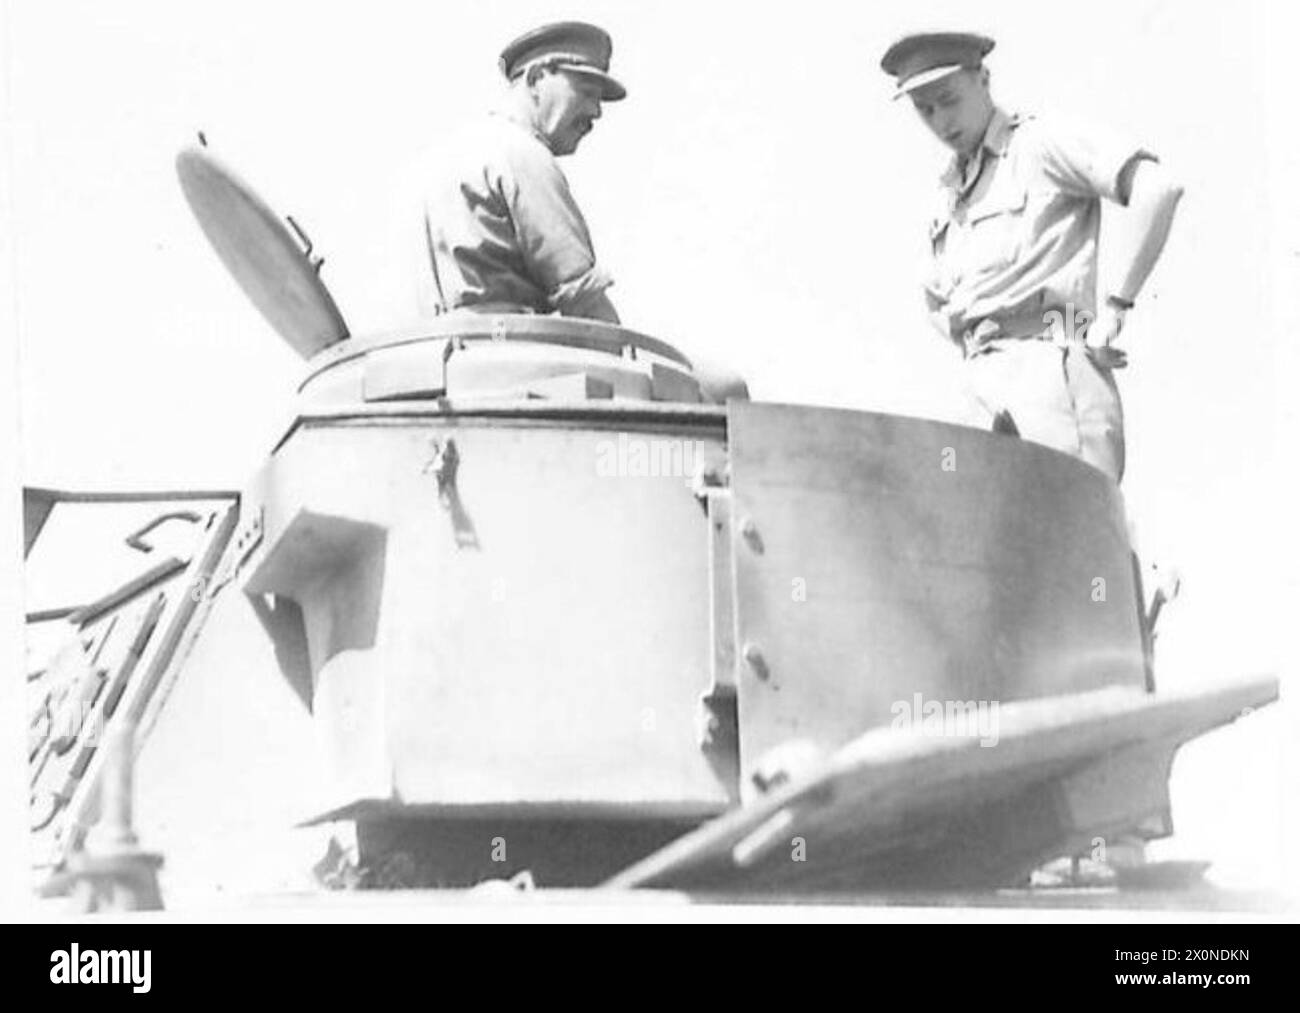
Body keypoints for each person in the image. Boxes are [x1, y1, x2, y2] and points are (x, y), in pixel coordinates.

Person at [881, 32, 1185, 482]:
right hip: (976, 385)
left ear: (983, 79)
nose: (941, 121)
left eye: (948, 100)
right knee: (969, 534)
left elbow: (1159, 189)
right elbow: (937, 301)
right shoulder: (949, 192)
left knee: (1063, 527)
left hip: (1048, 368)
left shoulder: (1039, 144)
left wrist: (1116, 306)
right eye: (924, 111)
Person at [418, 21, 625, 323]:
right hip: (505, 352)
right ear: (537, 78)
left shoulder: (446, 155)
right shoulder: (523, 156)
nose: (596, 112)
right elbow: (582, 297)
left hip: (424, 357)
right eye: (586, 91)